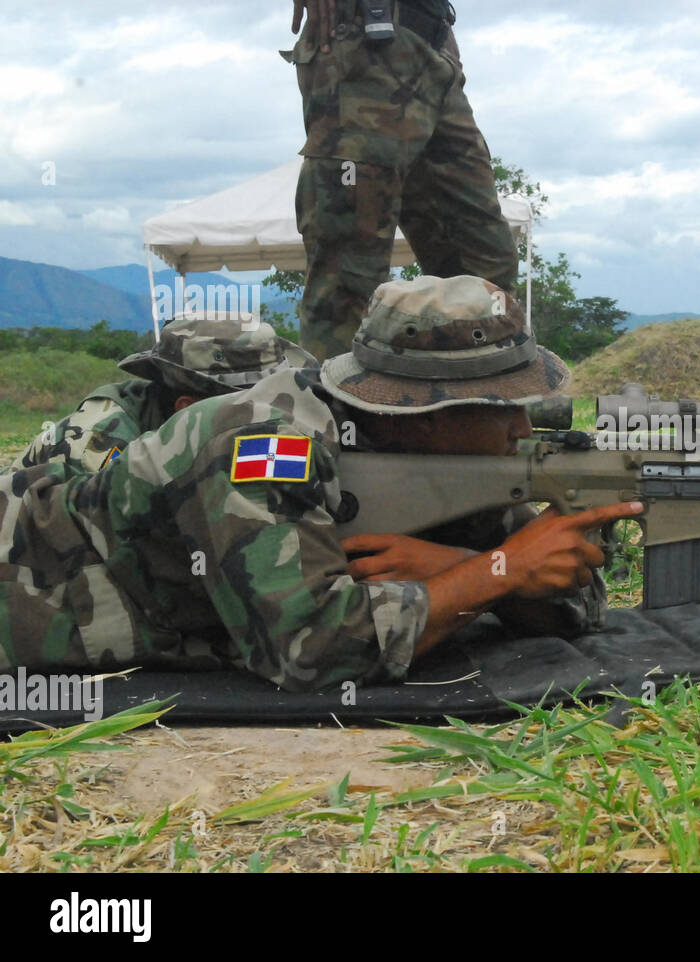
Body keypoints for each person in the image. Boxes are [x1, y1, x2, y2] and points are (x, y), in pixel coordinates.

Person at [0, 276, 638, 692]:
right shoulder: (261, 444)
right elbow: (312, 651)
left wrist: (456, 564)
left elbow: (575, 599)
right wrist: (491, 575)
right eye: (498, 405)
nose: (521, 424)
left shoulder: (443, 459)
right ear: (417, 410)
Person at [285, 0, 518, 362]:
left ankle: (467, 407)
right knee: (348, 277)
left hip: (435, 48)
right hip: (365, 43)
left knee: (484, 270)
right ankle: (339, 414)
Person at [8, 317, 318, 474]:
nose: (272, 417)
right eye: (256, 407)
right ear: (188, 408)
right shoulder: (100, 445)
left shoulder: (199, 430)